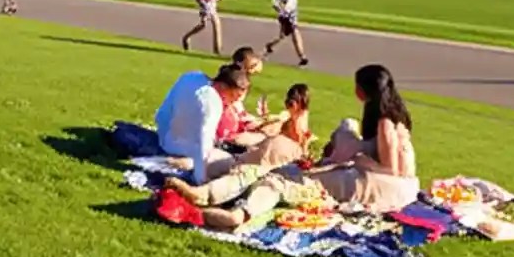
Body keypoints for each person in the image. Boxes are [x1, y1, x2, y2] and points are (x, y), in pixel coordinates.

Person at [200, 64, 418, 230]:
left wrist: (355, 157)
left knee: (286, 179)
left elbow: (392, 169)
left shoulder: (385, 123)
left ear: (365, 90)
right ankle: (234, 203)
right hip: (389, 185)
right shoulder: (394, 115)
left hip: (380, 186)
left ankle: (240, 212)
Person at [166, 84, 314, 206]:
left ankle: (201, 193)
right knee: (219, 164)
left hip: (265, 162)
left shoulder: (300, 123)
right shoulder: (291, 118)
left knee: (236, 177)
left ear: (300, 102)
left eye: (292, 101)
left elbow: (300, 149)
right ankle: (189, 170)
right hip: (254, 155)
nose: (288, 104)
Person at [154, 63, 251, 185]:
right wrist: (201, 179)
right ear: (222, 86)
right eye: (233, 96)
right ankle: (186, 163)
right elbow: (204, 143)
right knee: (232, 162)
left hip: (166, 136)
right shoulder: (212, 103)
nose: (234, 101)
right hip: (184, 148)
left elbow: (164, 111)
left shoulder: (191, 76)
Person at [264, 0, 308, 67]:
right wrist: (281, 10)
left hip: (293, 12)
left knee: (283, 36)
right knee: (295, 32)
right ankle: (302, 57)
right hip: (286, 15)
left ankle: (270, 45)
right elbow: (275, 3)